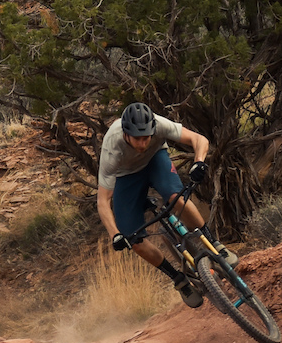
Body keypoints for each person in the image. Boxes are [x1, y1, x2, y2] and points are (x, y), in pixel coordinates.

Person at [96, 102, 236, 309]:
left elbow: (199, 139)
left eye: (147, 137)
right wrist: (114, 234)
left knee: (175, 198)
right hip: (126, 176)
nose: (143, 143)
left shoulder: (159, 124)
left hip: (155, 160)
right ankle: (179, 280)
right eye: (137, 138)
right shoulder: (112, 148)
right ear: (126, 133)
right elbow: (102, 200)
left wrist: (199, 161)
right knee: (133, 240)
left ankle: (214, 244)